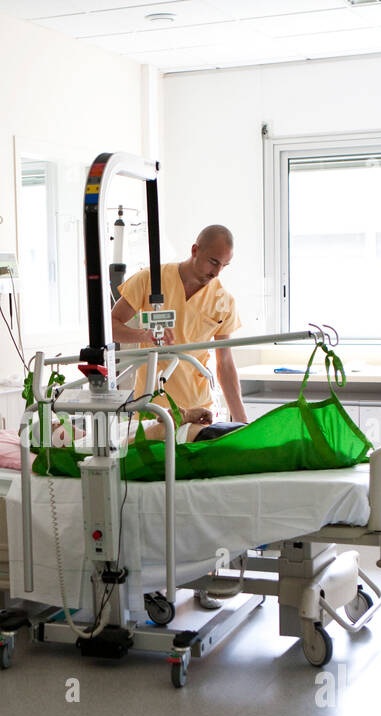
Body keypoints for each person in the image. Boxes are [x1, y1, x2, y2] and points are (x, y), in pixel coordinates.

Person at [110, 224, 247, 609]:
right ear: (194, 250)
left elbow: (225, 364)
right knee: (153, 495)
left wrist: (240, 419)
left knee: (200, 494)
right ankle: (152, 575)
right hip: (153, 403)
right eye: (212, 261)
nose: (216, 271)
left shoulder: (223, 301)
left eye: (225, 265)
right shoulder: (152, 279)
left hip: (198, 407)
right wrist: (145, 337)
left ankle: (208, 578)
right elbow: (114, 323)